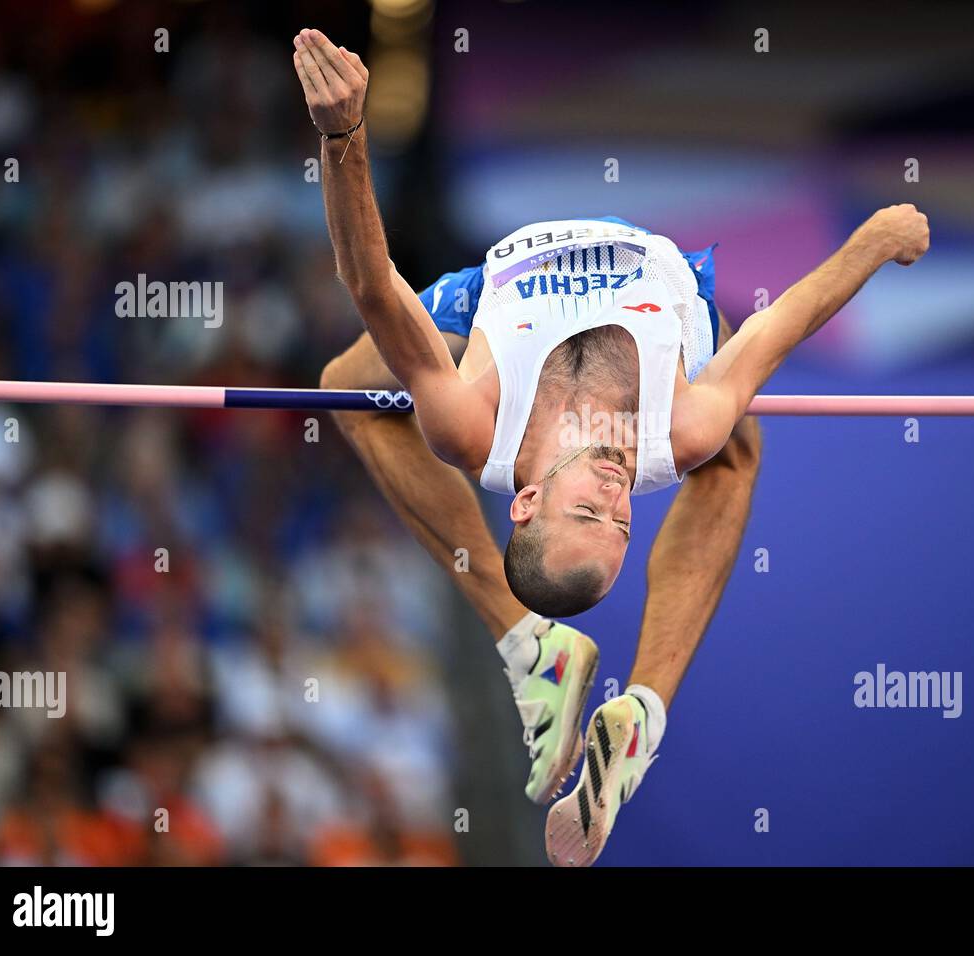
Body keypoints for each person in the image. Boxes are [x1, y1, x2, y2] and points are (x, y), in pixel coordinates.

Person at [292, 28, 929, 865]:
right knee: (735, 448)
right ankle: (644, 717)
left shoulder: (472, 422)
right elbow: (780, 321)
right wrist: (874, 244)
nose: (618, 492)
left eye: (590, 508)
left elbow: (371, 282)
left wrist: (343, 135)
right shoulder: (679, 429)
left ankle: (528, 647)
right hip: (669, 287)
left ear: (525, 500)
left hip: (498, 289)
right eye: (624, 521)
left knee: (348, 382)